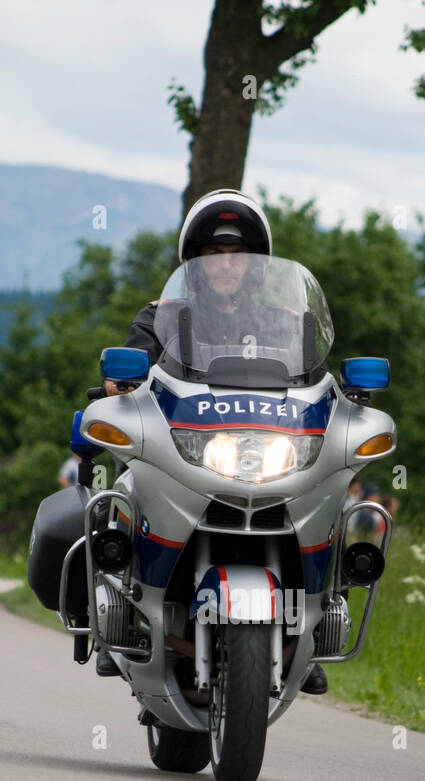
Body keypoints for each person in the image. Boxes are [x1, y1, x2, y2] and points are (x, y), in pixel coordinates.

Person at [93, 188, 328, 695]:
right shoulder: (162, 315)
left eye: (236, 256)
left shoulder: (284, 320)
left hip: (266, 449)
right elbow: (130, 372)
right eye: (214, 255)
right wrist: (121, 382)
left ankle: (311, 627)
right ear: (195, 262)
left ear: (255, 266)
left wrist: (344, 398)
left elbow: (316, 382)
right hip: (188, 449)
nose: (225, 265)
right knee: (128, 481)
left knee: (328, 491)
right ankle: (123, 616)